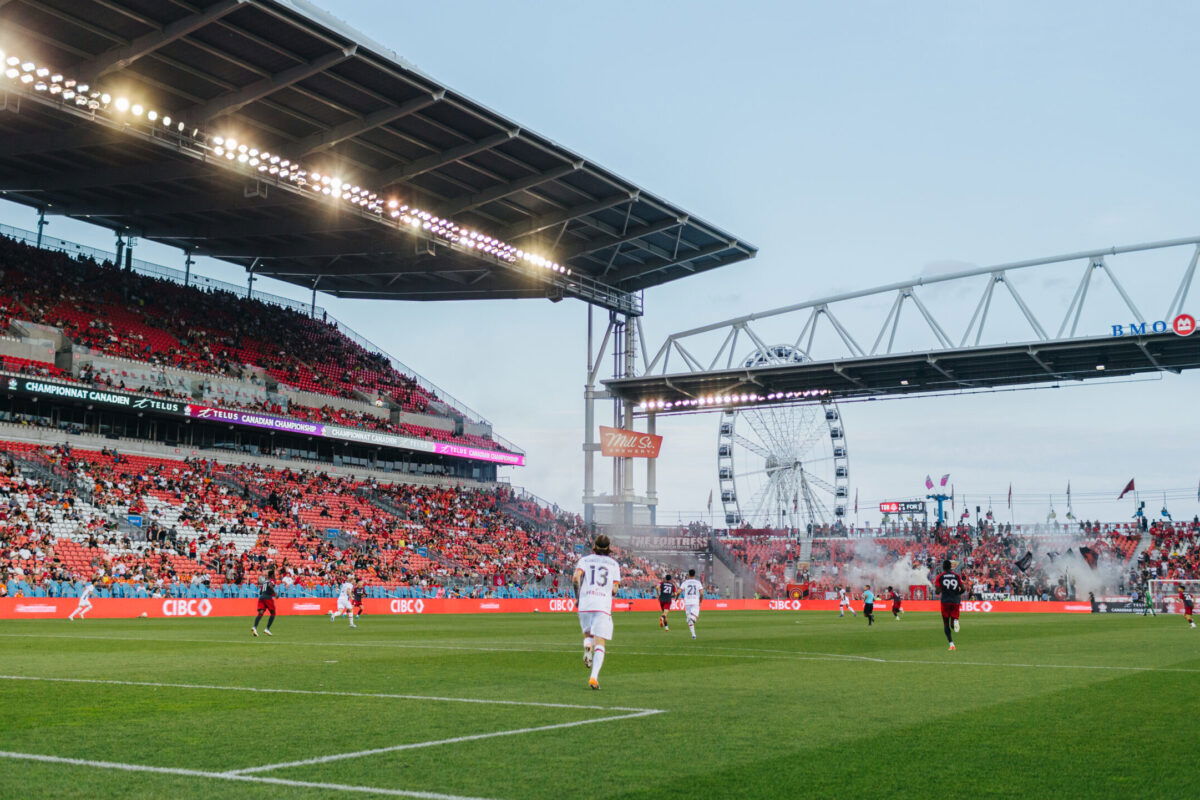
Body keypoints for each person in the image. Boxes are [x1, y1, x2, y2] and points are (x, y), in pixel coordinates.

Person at [573, 534, 621, 690]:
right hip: (602, 605)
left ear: (594, 545)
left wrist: (578, 597)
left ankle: (587, 648)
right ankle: (593, 678)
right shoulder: (614, 564)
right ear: (608, 547)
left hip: (585, 603)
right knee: (600, 642)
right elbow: (614, 589)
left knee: (588, 636)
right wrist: (611, 591)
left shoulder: (584, 560)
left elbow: (575, 578)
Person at [932, 560, 966, 651]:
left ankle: (951, 644)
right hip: (955, 601)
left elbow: (937, 591)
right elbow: (963, 589)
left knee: (946, 624)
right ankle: (955, 620)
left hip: (945, 601)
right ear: (951, 567)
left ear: (943, 567)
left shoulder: (940, 576)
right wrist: (957, 594)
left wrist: (937, 589)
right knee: (953, 621)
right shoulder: (956, 576)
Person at [678, 569, 704, 640]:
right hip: (695, 602)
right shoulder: (698, 583)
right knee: (694, 618)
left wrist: (676, 597)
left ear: (688, 574)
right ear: (694, 574)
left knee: (689, 620)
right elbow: (701, 593)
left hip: (687, 602)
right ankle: (690, 619)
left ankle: (693, 635)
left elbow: (679, 591)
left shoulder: (685, 582)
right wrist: (700, 600)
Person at [252, 571, 277, 637]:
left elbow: (260, 592)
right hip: (268, 598)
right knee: (273, 613)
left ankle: (254, 627)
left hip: (261, 598)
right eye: (274, 575)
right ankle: (267, 629)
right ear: (272, 575)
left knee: (261, 612)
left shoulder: (265, 582)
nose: (275, 576)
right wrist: (275, 594)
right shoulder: (272, 580)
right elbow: (270, 585)